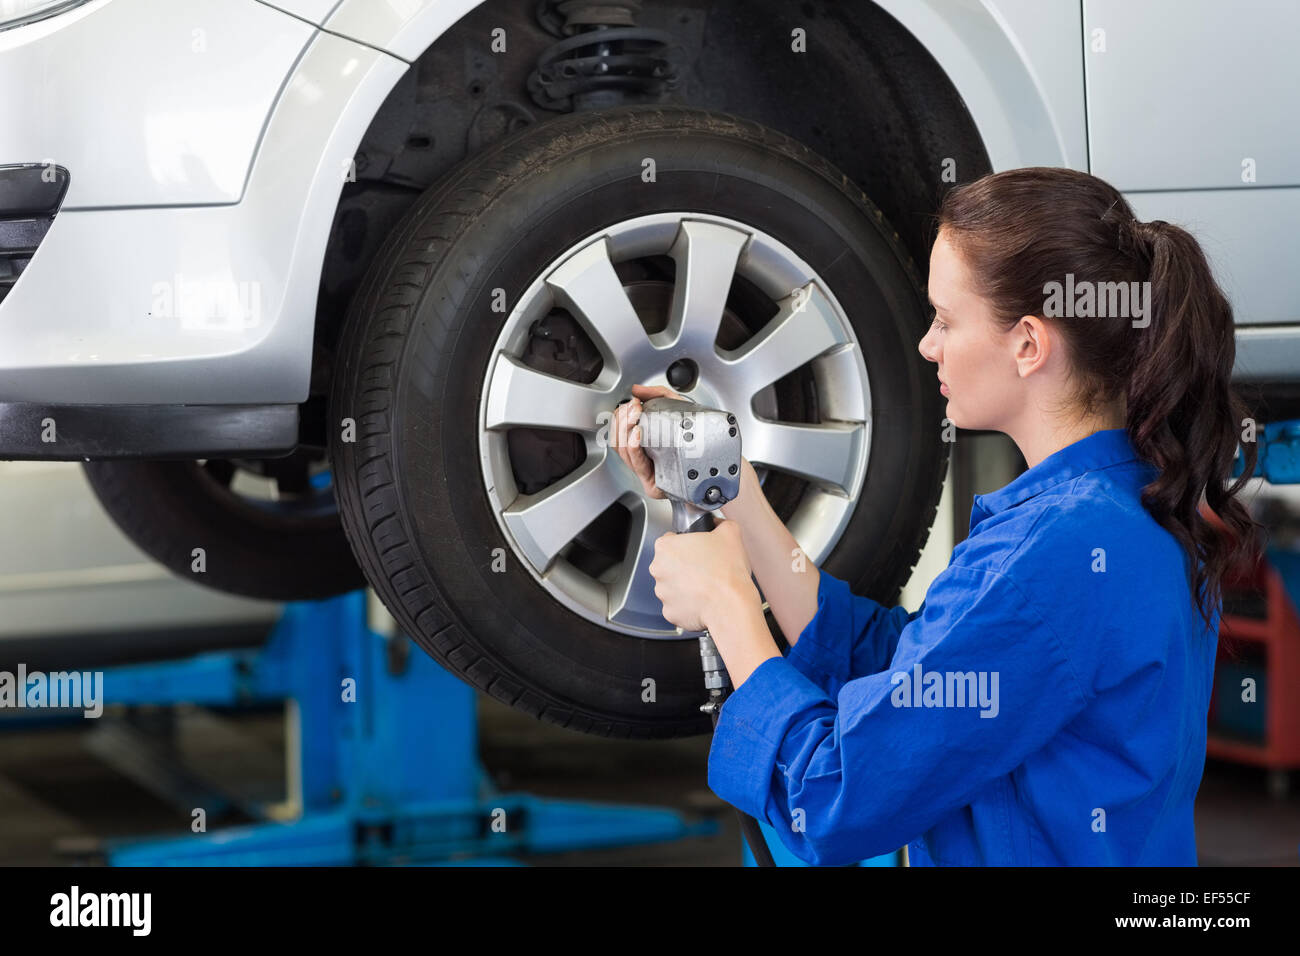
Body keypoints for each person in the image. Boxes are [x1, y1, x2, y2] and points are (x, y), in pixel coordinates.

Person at [609, 166, 1263, 866]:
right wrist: (728, 483)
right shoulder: (1115, 514)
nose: (927, 345)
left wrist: (730, 611)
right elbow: (917, 682)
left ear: (1029, 345)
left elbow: (838, 800)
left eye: (946, 320)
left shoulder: (1060, 552)